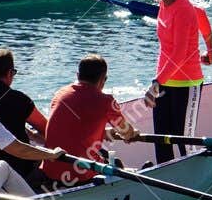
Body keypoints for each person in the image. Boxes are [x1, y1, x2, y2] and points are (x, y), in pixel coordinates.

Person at [146, 0, 212, 164]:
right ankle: (164, 175)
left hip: (187, 83)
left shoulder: (183, 9)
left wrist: (156, 82)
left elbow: (179, 54)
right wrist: (210, 48)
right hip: (165, 80)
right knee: (161, 138)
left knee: (183, 139)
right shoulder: (164, 4)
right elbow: (201, 15)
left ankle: (194, 174)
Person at [40, 55, 141, 190]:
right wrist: (133, 133)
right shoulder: (106, 101)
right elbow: (127, 133)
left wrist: (108, 133)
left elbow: (77, 129)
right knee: (116, 163)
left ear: (78, 75)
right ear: (103, 80)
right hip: (81, 174)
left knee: (104, 156)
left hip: (50, 170)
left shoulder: (60, 94)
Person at [0, 47, 48, 186]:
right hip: (18, 167)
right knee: (46, 158)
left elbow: (2, 121)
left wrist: (29, 133)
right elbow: (47, 128)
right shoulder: (19, 99)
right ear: (9, 73)